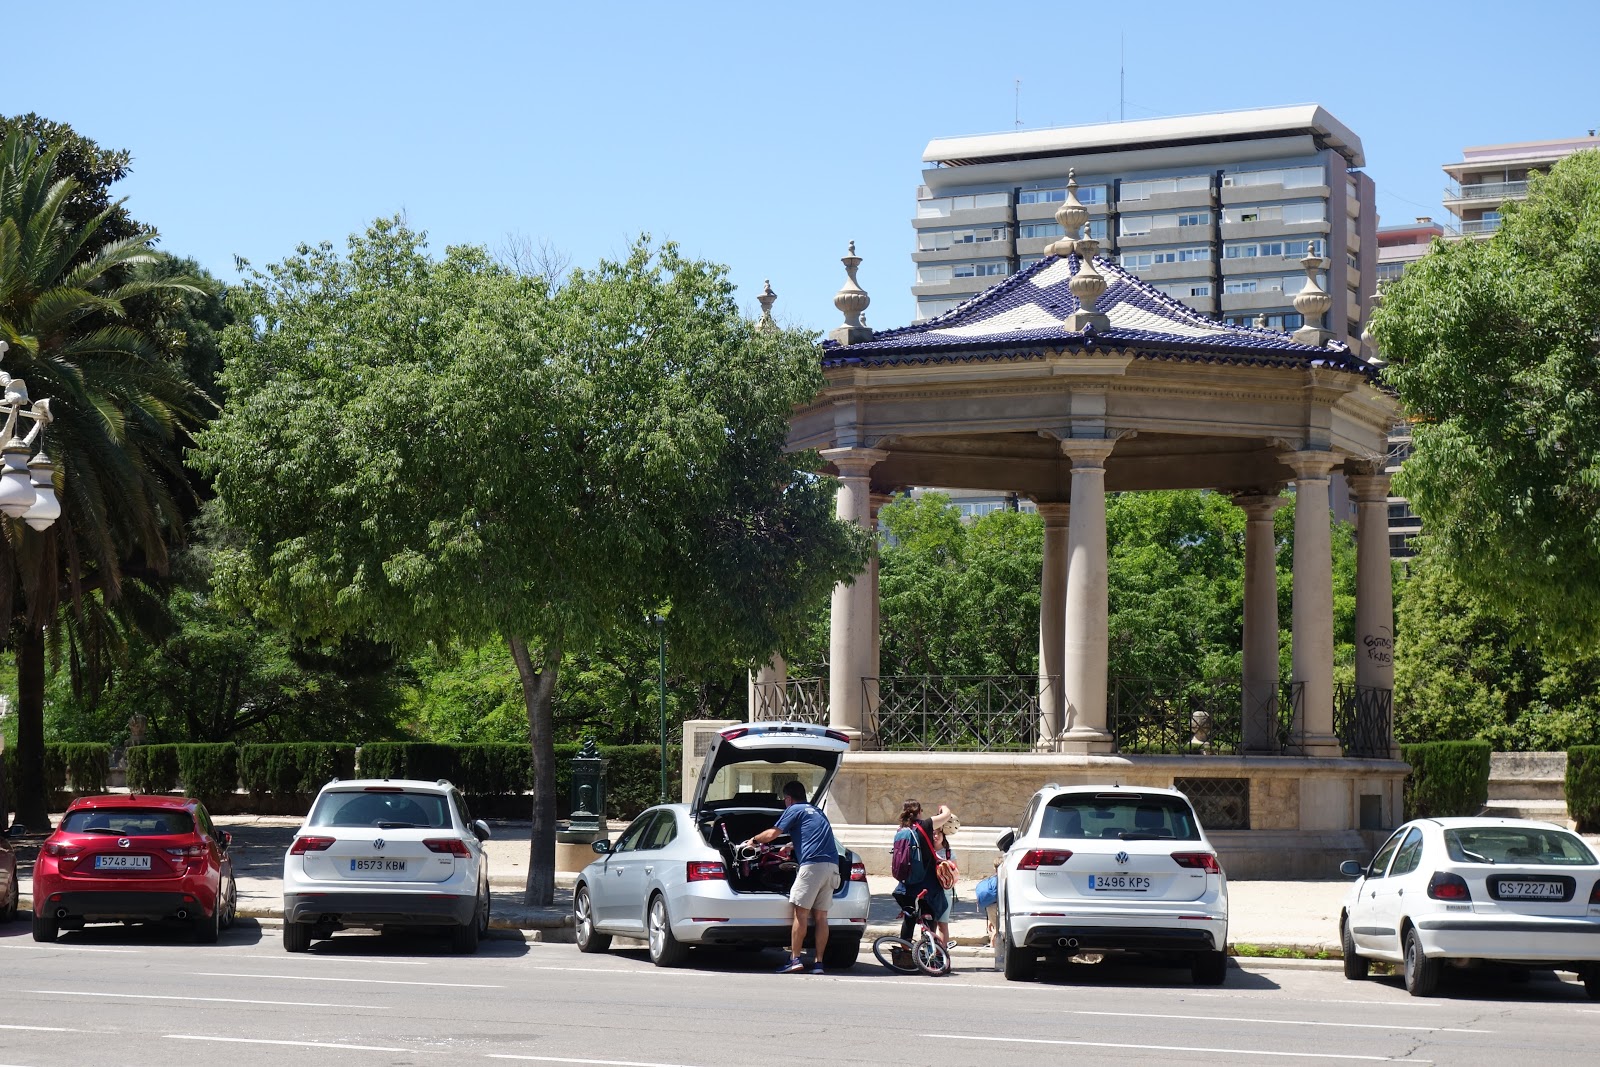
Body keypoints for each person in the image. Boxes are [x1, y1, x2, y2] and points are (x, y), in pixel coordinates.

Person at [742, 780, 840, 974]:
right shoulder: (818, 812)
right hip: (832, 866)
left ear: (788, 798)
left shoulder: (794, 809)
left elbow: (771, 834)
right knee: (821, 917)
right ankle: (818, 964)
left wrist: (752, 841)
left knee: (800, 914)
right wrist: (791, 846)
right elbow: (815, 838)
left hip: (812, 867)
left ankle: (794, 959)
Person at [892, 799, 947, 954]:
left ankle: (905, 952)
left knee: (909, 917)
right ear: (919, 811)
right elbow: (947, 815)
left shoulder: (901, 830)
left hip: (906, 886)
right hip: (927, 885)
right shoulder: (925, 825)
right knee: (930, 917)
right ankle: (931, 953)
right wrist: (943, 807)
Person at [930, 805, 961, 949]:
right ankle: (931, 951)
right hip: (930, 891)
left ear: (943, 835)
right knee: (930, 924)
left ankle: (942, 952)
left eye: (938, 833)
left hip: (945, 893)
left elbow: (956, 874)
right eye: (933, 833)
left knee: (942, 924)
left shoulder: (949, 852)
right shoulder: (927, 851)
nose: (936, 836)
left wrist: (946, 867)